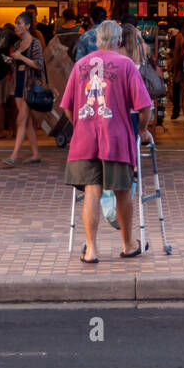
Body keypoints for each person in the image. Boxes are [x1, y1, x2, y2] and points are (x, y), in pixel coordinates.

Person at [60, 20, 154, 263]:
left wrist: (79, 125)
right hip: (116, 137)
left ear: (97, 40)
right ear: (119, 41)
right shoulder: (127, 65)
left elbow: (68, 107)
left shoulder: (80, 65)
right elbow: (145, 107)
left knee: (92, 190)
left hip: (85, 137)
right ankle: (128, 244)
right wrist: (142, 131)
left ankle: (91, 250)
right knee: (122, 192)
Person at [2, 11, 43, 166]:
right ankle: (36, 153)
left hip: (29, 85)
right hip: (18, 83)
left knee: (21, 120)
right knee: (26, 122)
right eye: (16, 23)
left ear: (27, 25)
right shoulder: (18, 44)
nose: (16, 26)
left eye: (19, 23)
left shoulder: (35, 43)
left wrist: (21, 58)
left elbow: (39, 64)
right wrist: (11, 60)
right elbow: (17, 63)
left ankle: (13, 156)